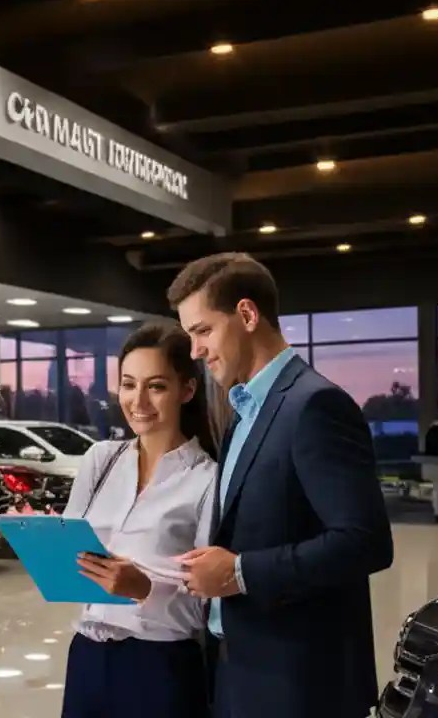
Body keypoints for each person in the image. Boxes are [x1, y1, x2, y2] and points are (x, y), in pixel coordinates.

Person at [168, 253, 394, 718]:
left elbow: (366, 542)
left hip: (300, 682)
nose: (195, 351)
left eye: (203, 331)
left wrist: (240, 572)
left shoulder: (316, 406)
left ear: (247, 315)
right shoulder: (242, 411)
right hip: (240, 669)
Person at [59, 321, 217, 718]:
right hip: (87, 656)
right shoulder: (100, 459)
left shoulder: (207, 479)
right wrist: (33, 538)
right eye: (129, 385)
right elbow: (68, 559)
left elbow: (203, 611)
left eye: (156, 386)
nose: (138, 401)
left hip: (159, 667)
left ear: (187, 389)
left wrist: (144, 587)